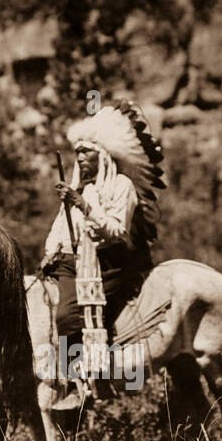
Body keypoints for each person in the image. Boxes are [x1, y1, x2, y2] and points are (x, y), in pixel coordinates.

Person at [40, 102, 163, 411]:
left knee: (68, 315)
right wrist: (51, 251)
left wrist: (83, 205)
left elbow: (117, 231)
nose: (80, 159)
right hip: (76, 260)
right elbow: (60, 227)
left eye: (87, 153)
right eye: (78, 154)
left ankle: (79, 384)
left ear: (103, 156)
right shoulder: (79, 189)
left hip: (110, 262)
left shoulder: (121, 187)